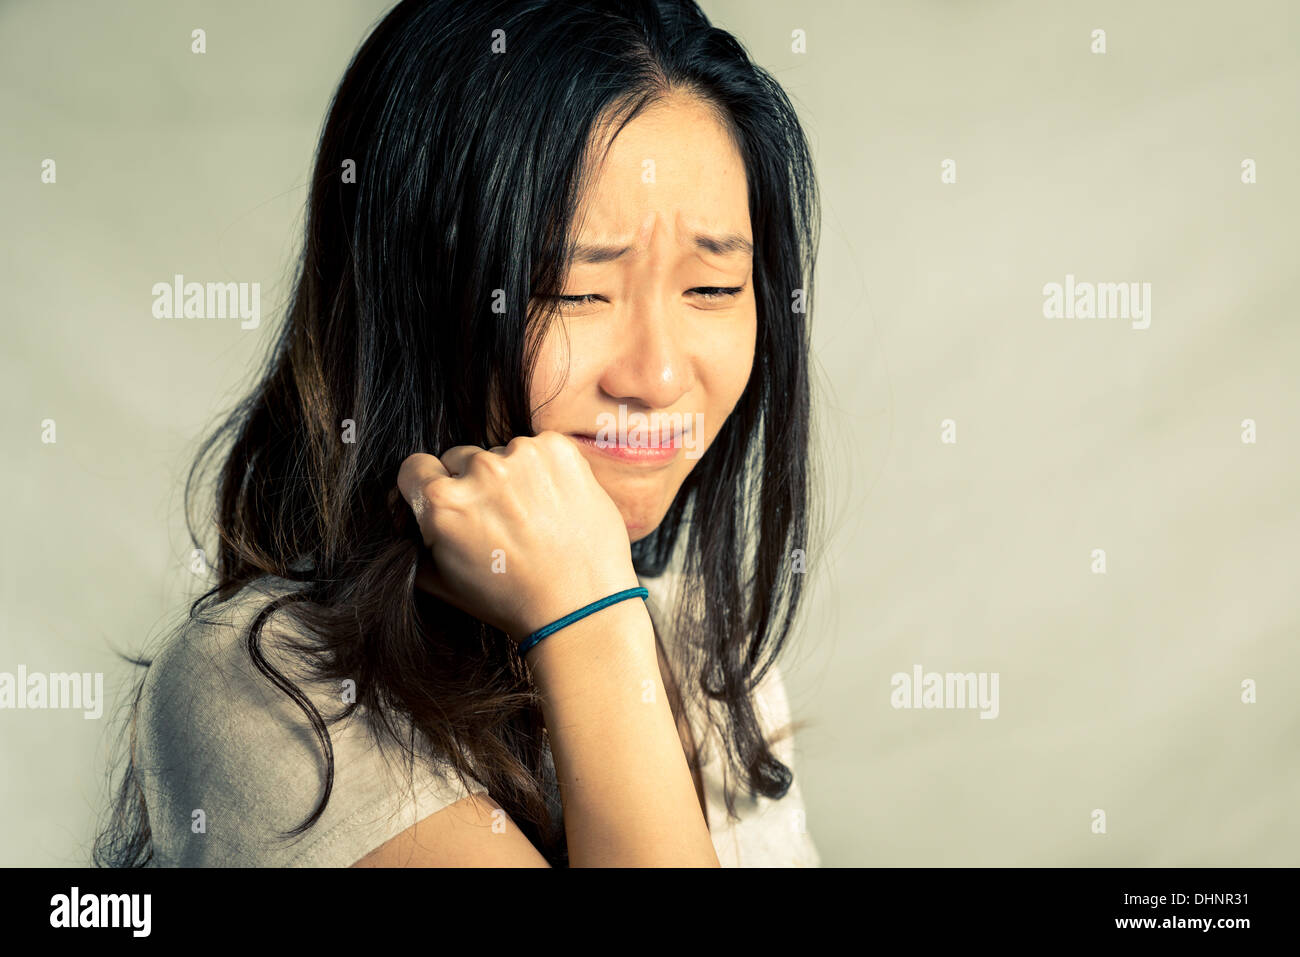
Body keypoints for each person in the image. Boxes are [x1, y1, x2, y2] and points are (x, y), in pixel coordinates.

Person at [95, 0, 822, 867]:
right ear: (416, 295)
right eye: (573, 292)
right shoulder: (268, 687)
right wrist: (588, 621)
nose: (660, 377)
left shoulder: (701, 644)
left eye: (712, 289)